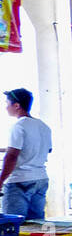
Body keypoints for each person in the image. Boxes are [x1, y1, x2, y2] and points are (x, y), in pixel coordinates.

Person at [0, 88, 52, 220]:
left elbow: (12, 156)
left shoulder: (18, 126)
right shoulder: (43, 126)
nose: (6, 107)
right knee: (35, 225)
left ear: (16, 105)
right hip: (40, 178)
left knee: (13, 224)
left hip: (20, 180)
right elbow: (47, 149)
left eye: (7, 103)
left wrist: (1, 180)